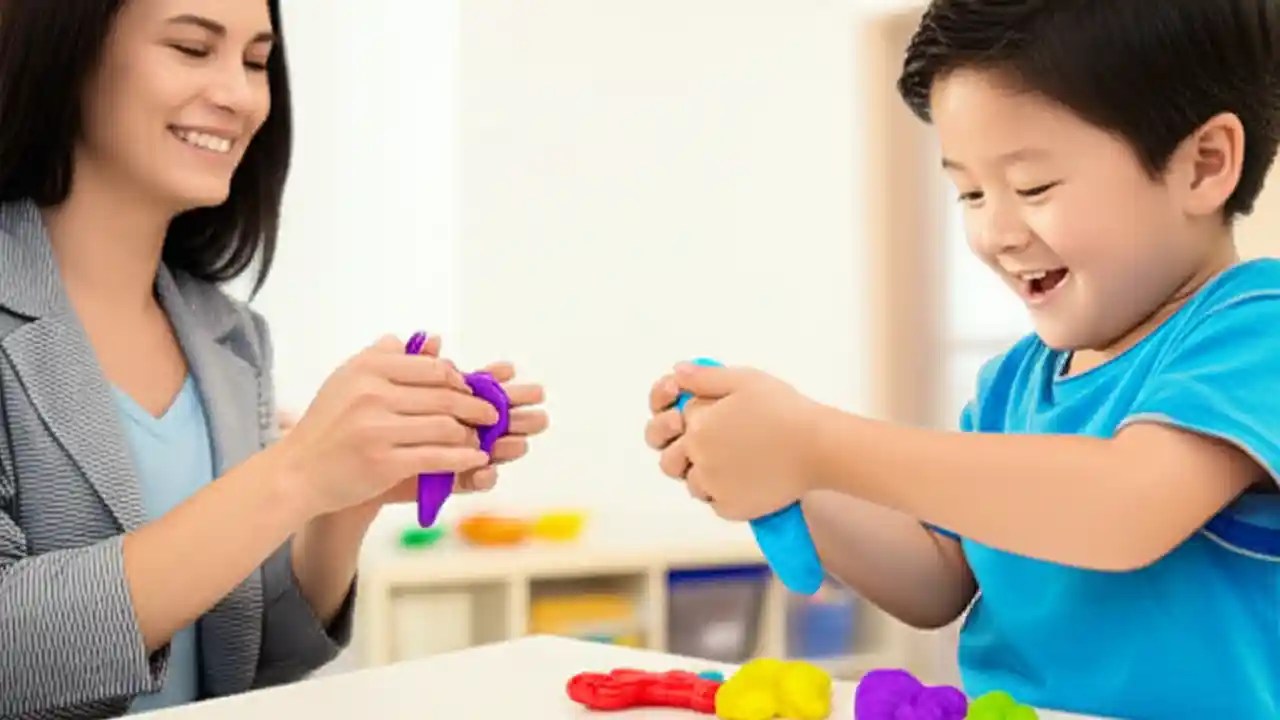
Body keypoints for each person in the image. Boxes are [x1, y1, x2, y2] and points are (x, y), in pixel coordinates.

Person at [645, 1, 1280, 717]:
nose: (995, 232)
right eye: (970, 193)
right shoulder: (1015, 379)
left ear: (1204, 165)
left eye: (1033, 187)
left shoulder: (1257, 328)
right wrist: (793, 475)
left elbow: (1126, 506)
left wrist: (817, 440)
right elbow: (937, 581)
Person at [0, 0, 547, 717]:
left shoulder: (232, 342)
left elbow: (248, 668)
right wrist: (295, 474)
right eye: (193, 49)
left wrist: (341, 503)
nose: (238, 95)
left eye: (257, 61)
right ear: (68, 53)